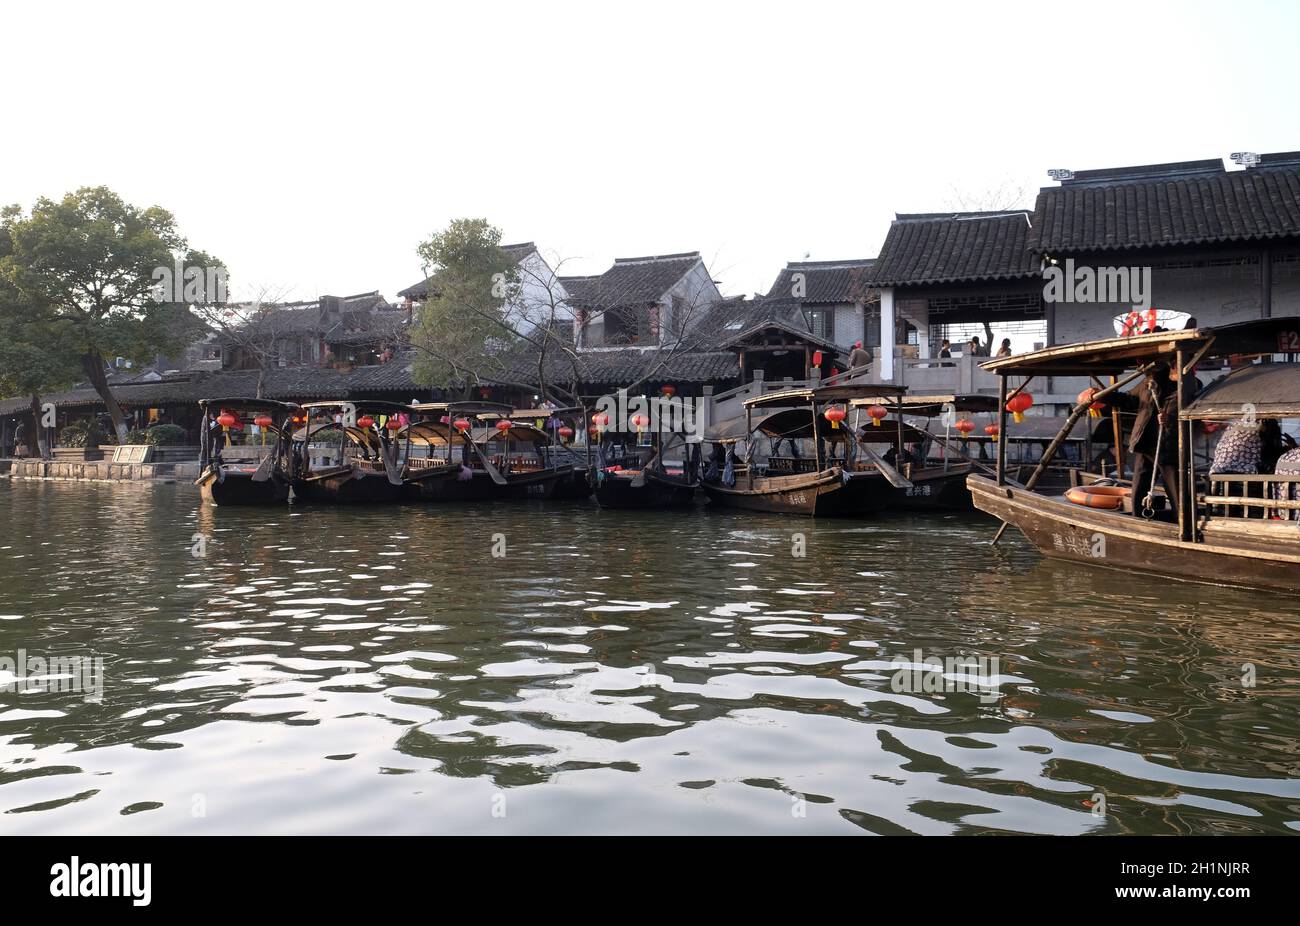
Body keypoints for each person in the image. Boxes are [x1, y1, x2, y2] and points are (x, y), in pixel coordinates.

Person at [1111, 362, 1198, 518]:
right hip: (1146, 443)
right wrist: (1104, 396)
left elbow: (1192, 413)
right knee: (1139, 489)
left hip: (1171, 446)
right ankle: (1137, 522)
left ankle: (1185, 525)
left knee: (1176, 490)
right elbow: (1129, 400)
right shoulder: (1150, 383)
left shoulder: (1191, 385)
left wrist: (1169, 419)